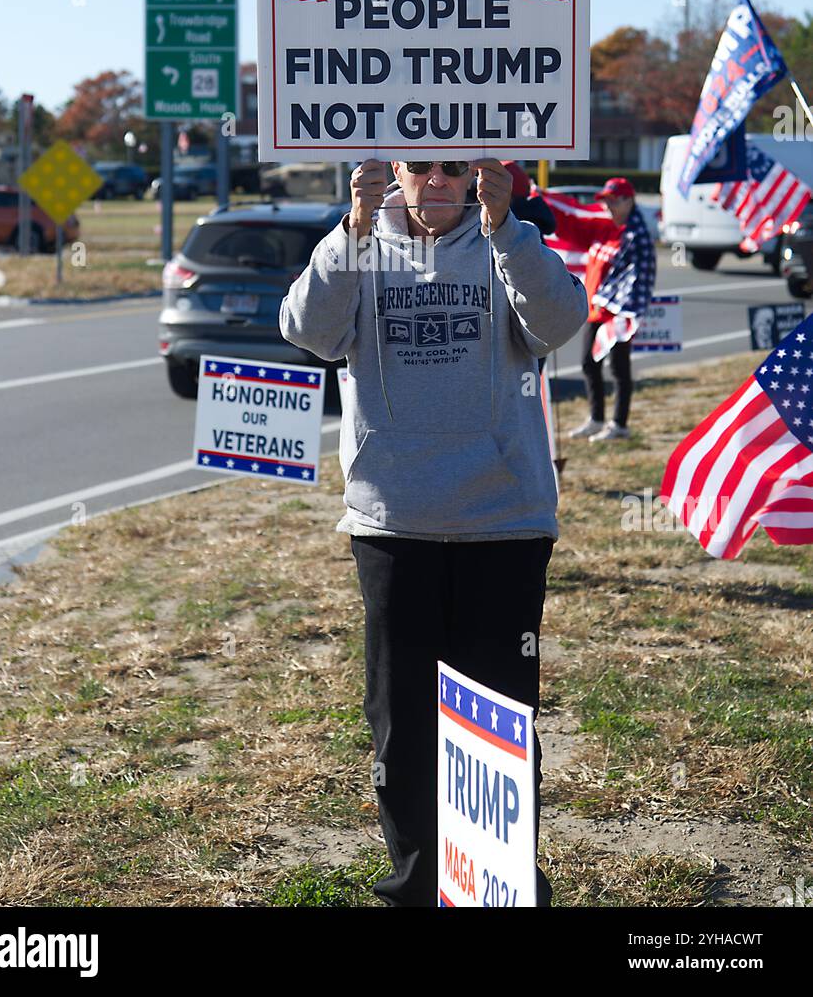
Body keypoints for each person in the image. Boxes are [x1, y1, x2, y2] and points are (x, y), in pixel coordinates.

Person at [279, 158, 588, 907]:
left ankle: (500, 887)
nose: (439, 183)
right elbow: (308, 332)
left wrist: (508, 230)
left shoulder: (509, 241)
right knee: (404, 724)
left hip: (504, 524)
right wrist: (349, 232)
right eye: (423, 168)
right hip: (393, 523)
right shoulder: (359, 243)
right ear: (395, 173)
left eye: (457, 169)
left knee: (498, 723)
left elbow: (560, 322)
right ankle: (416, 887)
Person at [540, 177, 656, 442]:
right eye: (606, 201)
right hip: (596, 311)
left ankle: (619, 424)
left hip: (617, 314)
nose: (608, 207)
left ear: (629, 201)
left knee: (618, 368)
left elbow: (638, 280)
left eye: (614, 201)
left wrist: (618, 311)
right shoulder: (604, 228)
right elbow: (572, 228)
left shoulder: (637, 237)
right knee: (589, 365)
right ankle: (597, 418)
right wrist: (543, 201)